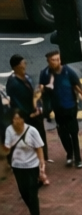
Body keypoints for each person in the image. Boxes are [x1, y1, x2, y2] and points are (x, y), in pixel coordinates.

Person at [38, 49, 82, 168]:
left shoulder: (68, 72)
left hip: (70, 107)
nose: (57, 62)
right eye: (53, 60)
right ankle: (69, 154)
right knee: (63, 134)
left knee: (74, 133)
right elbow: (41, 87)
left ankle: (78, 158)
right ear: (48, 61)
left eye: (58, 59)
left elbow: (77, 86)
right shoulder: (45, 73)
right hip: (57, 108)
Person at [5, 55, 48, 183]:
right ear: (17, 66)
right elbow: (16, 104)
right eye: (24, 62)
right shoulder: (12, 84)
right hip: (27, 117)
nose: (26, 64)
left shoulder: (27, 77)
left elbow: (34, 94)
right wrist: (28, 115)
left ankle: (41, 165)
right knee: (29, 143)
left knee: (39, 139)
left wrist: (38, 106)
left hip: (35, 114)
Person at [6, 110, 44, 215]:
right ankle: (32, 211)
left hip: (32, 165)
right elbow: (7, 147)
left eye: (18, 118)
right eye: (14, 119)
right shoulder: (9, 130)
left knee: (32, 191)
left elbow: (39, 148)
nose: (16, 121)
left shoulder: (32, 131)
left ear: (23, 119)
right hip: (17, 166)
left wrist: (42, 164)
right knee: (23, 191)